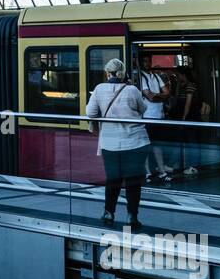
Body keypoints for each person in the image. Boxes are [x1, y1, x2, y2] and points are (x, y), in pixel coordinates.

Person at [86, 58, 150, 230]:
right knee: (133, 181)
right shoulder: (132, 89)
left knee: (113, 180)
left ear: (107, 73)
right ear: (123, 73)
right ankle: (132, 217)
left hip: (110, 143)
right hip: (136, 142)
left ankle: (108, 212)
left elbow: (90, 112)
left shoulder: (99, 89)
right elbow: (143, 109)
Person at [137, 54, 173, 182]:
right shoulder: (140, 77)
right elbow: (150, 97)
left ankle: (161, 171)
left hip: (158, 116)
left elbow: (167, 93)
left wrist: (158, 96)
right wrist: (161, 96)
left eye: (148, 61)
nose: (147, 63)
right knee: (147, 145)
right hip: (147, 117)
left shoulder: (156, 76)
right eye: (145, 61)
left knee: (158, 145)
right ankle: (147, 172)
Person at [172, 67, 201, 177]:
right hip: (186, 118)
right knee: (183, 141)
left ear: (184, 75)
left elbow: (188, 104)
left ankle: (193, 166)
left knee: (192, 142)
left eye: (178, 75)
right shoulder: (182, 86)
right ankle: (174, 164)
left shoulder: (190, 86)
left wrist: (183, 120)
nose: (177, 77)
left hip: (190, 118)